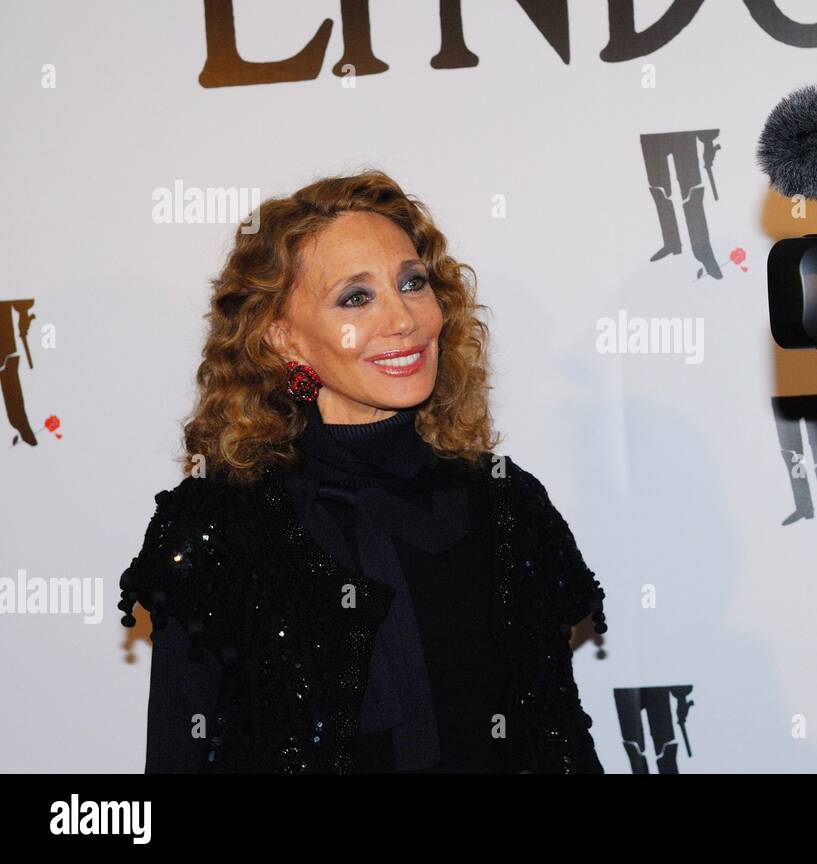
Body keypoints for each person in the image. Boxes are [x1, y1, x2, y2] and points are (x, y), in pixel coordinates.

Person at [118, 170, 607, 773]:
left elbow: (557, 745)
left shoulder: (506, 506)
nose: (403, 319)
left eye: (412, 283)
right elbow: (179, 757)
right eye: (356, 297)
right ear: (282, 339)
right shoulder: (220, 524)